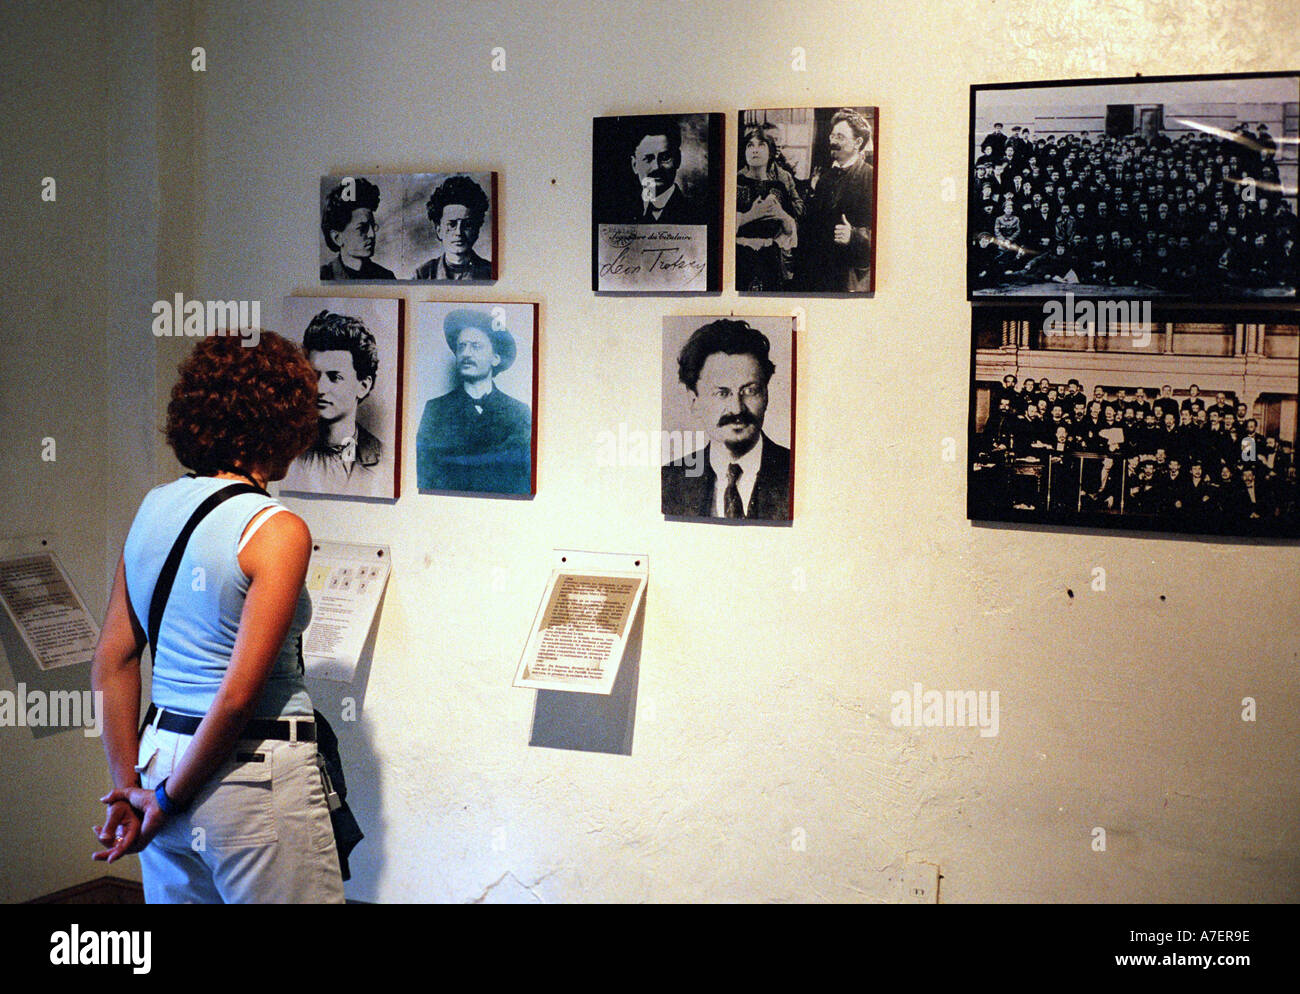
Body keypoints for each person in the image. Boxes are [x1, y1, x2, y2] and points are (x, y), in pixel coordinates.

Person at [90, 333, 345, 903]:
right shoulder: (276, 529)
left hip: (158, 757)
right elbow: (235, 697)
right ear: (285, 423)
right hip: (249, 771)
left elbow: (112, 659)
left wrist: (133, 789)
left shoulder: (153, 507)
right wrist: (169, 802)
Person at [662, 319, 791, 520]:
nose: (737, 408)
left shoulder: (795, 472)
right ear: (695, 401)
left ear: (766, 395)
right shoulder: (669, 481)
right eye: (722, 393)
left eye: (750, 391)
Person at [416, 308, 531, 494]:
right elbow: (425, 476)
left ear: (495, 358)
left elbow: (523, 479)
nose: (466, 353)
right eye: (461, 346)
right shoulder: (436, 410)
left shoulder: (518, 413)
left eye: (476, 346)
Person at [282, 310, 387, 497]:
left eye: (334, 377)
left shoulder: (385, 458)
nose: (320, 389)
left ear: (363, 386)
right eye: (314, 376)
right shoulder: (288, 454)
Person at [795, 108, 875, 292]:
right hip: (820, 273)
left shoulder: (870, 177)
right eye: (832, 136)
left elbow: (882, 233)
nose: (833, 141)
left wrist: (853, 237)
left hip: (848, 276)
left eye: (840, 137)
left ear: (858, 142)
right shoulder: (825, 177)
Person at [735, 121, 803, 291]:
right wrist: (750, 215)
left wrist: (782, 215)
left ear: (771, 152)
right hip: (740, 258)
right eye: (750, 146)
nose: (755, 150)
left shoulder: (779, 186)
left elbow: (788, 231)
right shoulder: (733, 183)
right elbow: (721, 229)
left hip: (771, 259)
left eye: (761, 146)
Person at [622, 116, 708, 224]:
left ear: (678, 160)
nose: (656, 167)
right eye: (648, 159)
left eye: (665, 158)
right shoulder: (621, 213)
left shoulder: (698, 215)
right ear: (634, 165)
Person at [414, 175, 493, 280]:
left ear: (477, 229)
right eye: (452, 224)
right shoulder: (423, 274)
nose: (458, 232)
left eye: (467, 225)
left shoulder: (490, 273)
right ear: (439, 230)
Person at [319, 177, 396, 280]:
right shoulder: (323, 277)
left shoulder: (386, 277)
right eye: (362, 228)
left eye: (372, 226)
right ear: (337, 238)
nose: (372, 234)